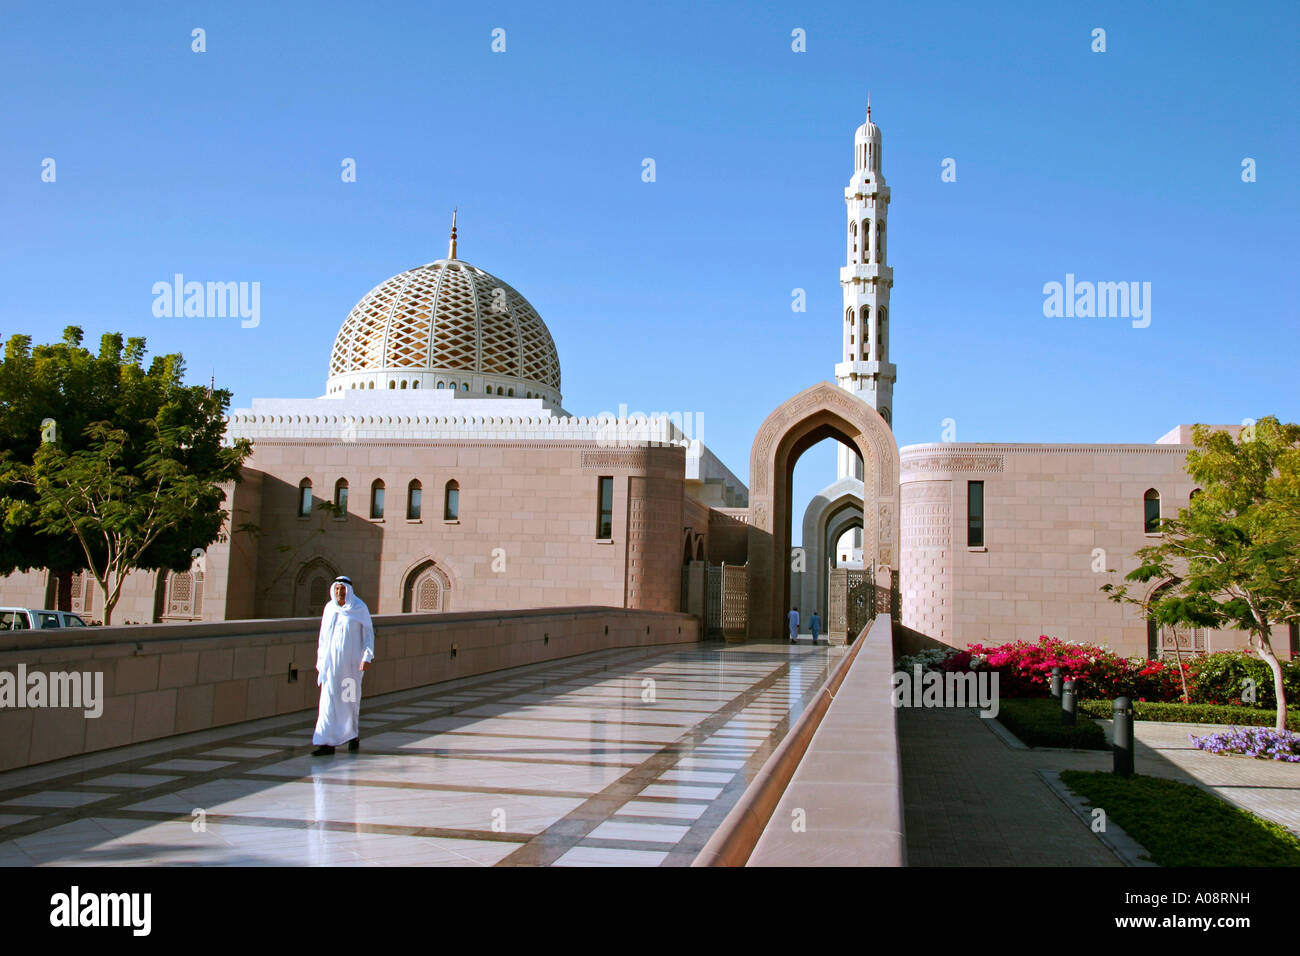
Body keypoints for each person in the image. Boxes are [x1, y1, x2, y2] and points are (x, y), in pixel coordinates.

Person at [312, 576, 375, 756]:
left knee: (349, 700)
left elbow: (368, 635)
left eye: (343, 589)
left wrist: (367, 657)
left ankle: (352, 735)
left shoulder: (359, 608)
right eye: (337, 589)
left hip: (351, 665)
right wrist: (321, 661)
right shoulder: (330, 609)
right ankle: (325, 742)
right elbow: (323, 638)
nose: (340, 592)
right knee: (327, 702)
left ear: (349, 590)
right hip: (331, 666)